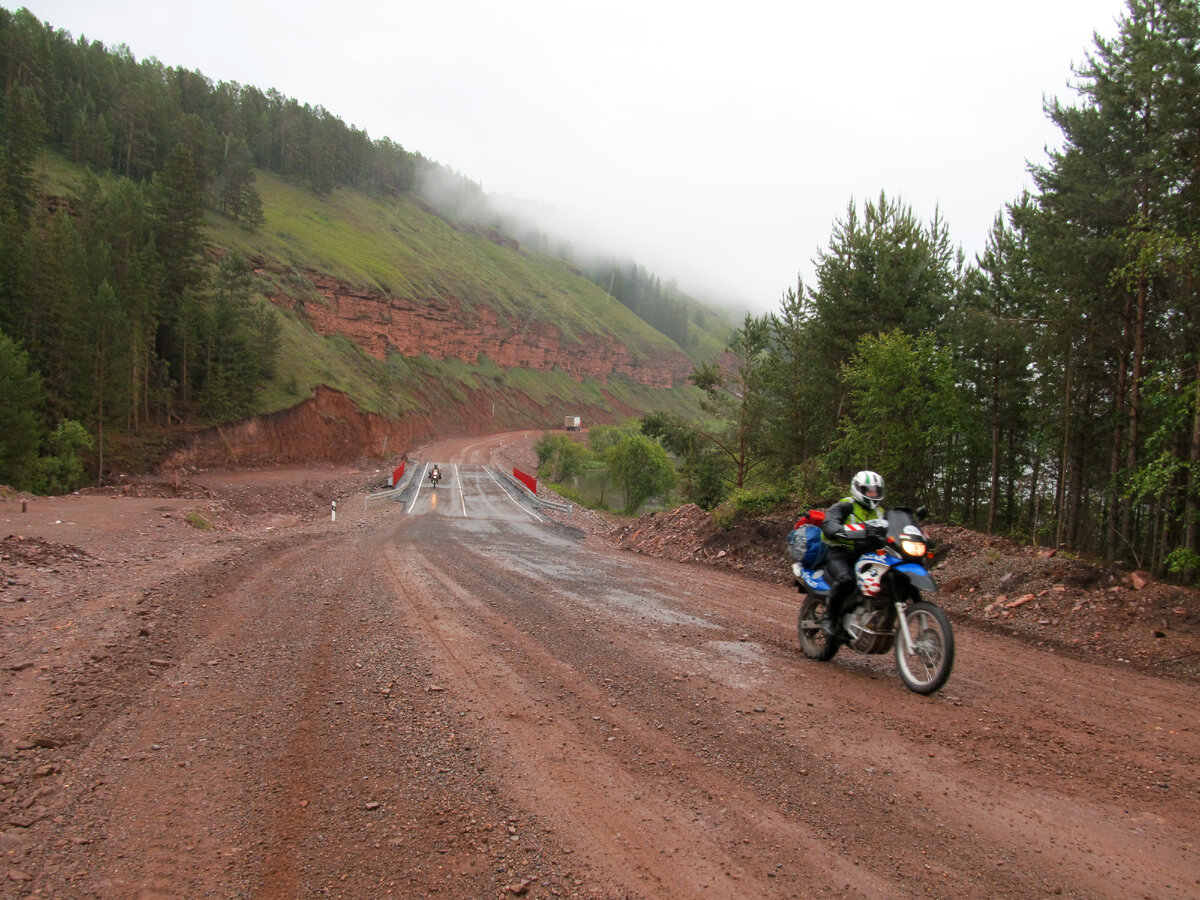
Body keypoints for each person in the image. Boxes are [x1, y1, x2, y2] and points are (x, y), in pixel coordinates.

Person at [819, 470, 886, 641]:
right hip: (840, 551)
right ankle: (829, 618)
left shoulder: (881, 513)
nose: (873, 494)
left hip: (866, 554)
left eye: (876, 491)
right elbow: (830, 521)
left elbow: (894, 530)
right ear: (858, 489)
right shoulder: (845, 505)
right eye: (869, 490)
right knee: (846, 579)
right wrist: (836, 529)